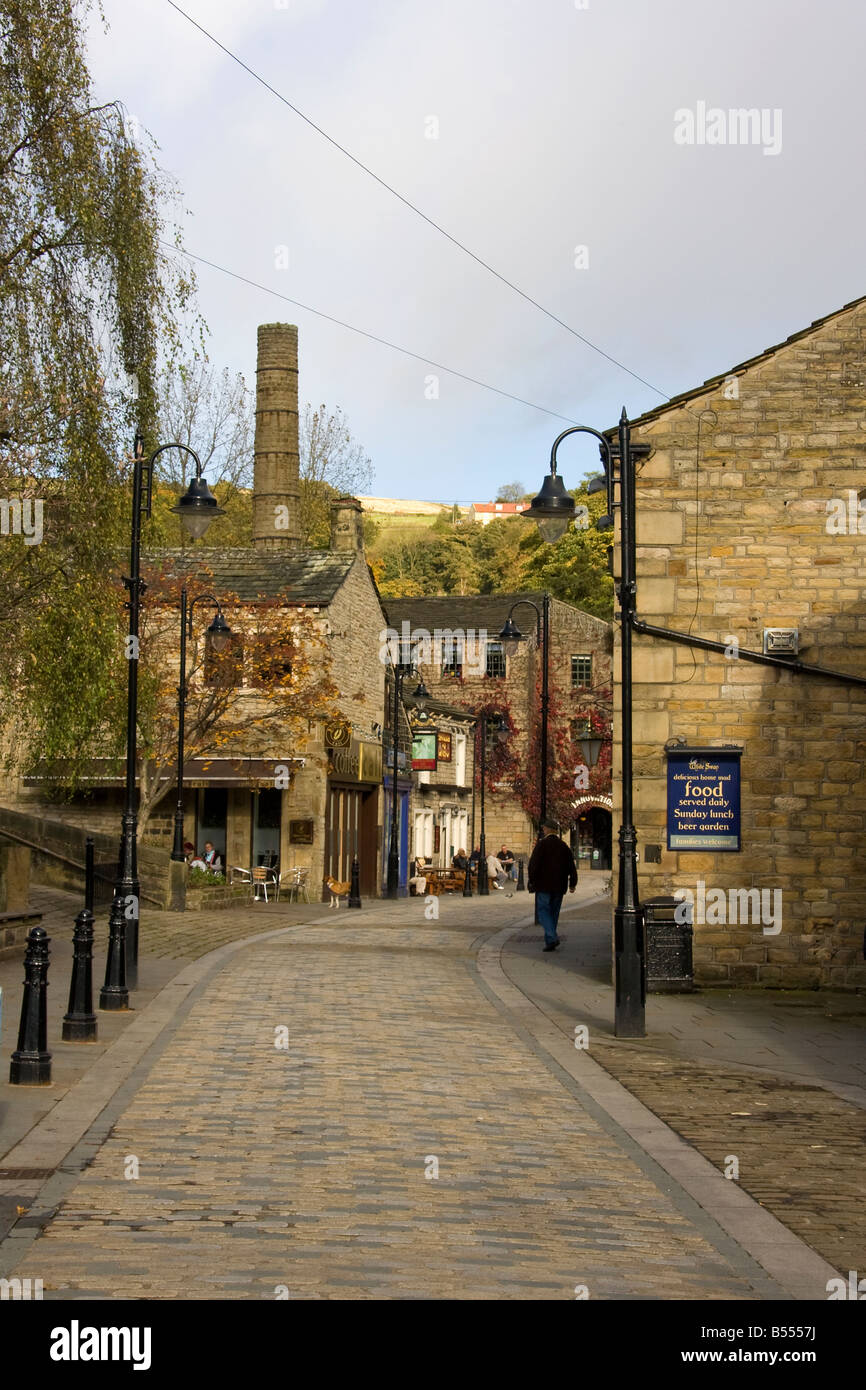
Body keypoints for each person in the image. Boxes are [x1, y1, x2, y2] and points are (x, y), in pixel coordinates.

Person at [527, 821, 577, 950]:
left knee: (543, 911)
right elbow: (571, 866)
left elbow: (533, 864)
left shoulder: (542, 845)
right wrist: (573, 883)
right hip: (559, 885)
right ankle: (550, 942)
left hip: (543, 884)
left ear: (548, 829)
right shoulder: (563, 846)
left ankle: (552, 936)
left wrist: (531, 880)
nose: (543, 829)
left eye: (543, 827)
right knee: (554, 913)